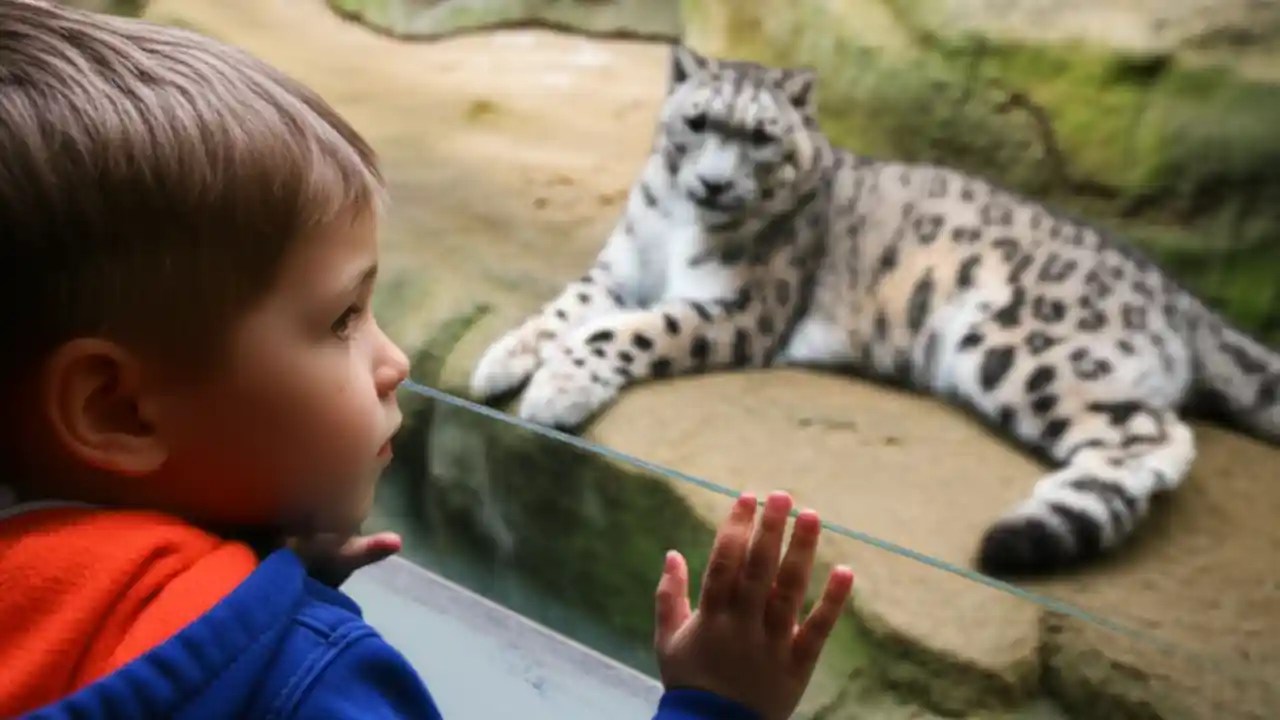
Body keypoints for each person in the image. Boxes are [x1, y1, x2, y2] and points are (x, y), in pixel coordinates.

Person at [0, 1, 855, 718]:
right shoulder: (317, 682)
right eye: (342, 319)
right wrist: (715, 705)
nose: (397, 358)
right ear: (115, 409)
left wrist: (246, 569)